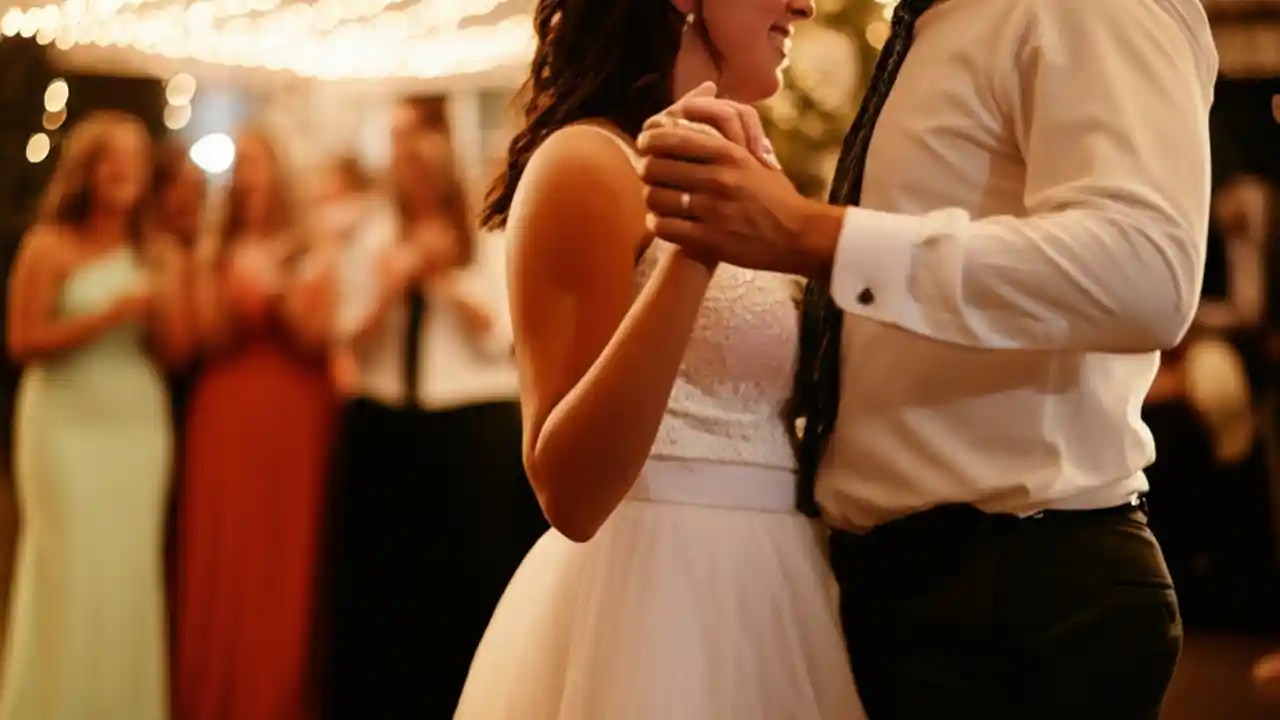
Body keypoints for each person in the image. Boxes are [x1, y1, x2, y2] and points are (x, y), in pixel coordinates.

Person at [638, 0, 1217, 718]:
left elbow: (1148, 274)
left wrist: (816, 235)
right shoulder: (932, 25)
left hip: (1017, 594)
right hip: (912, 591)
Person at [455, 1, 863, 718]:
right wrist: (696, 243)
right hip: (653, 607)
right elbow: (570, 492)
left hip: (785, 590)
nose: (804, 3)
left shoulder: (752, 165)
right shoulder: (587, 164)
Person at [323, 129, 533, 718]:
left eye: (424, 169)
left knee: (467, 575)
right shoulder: (374, 236)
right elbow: (347, 336)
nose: (412, 181)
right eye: (403, 168)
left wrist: (440, 278)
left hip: (471, 425)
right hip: (389, 422)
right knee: (391, 577)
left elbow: (502, 335)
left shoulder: (487, 235)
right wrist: (392, 285)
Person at [0, 111, 191, 720]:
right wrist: (107, 316)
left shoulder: (157, 252)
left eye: (135, 160)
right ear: (88, 169)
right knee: (68, 565)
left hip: (136, 423)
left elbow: (178, 352)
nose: (124, 172)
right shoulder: (47, 245)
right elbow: (23, 340)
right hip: (62, 421)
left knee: (127, 571)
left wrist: (161, 311)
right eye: (112, 159)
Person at [172, 127, 338, 720]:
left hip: (292, 414)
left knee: (283, 562)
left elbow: (318, 335)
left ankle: (276, 699)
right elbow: (202, 338)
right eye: (240, 165)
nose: (248, 175)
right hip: (226, 411)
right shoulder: (213, 248)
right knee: (224, 556)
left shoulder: (310, 244)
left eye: (258, 162)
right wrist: (226, 286)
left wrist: (274, 290)